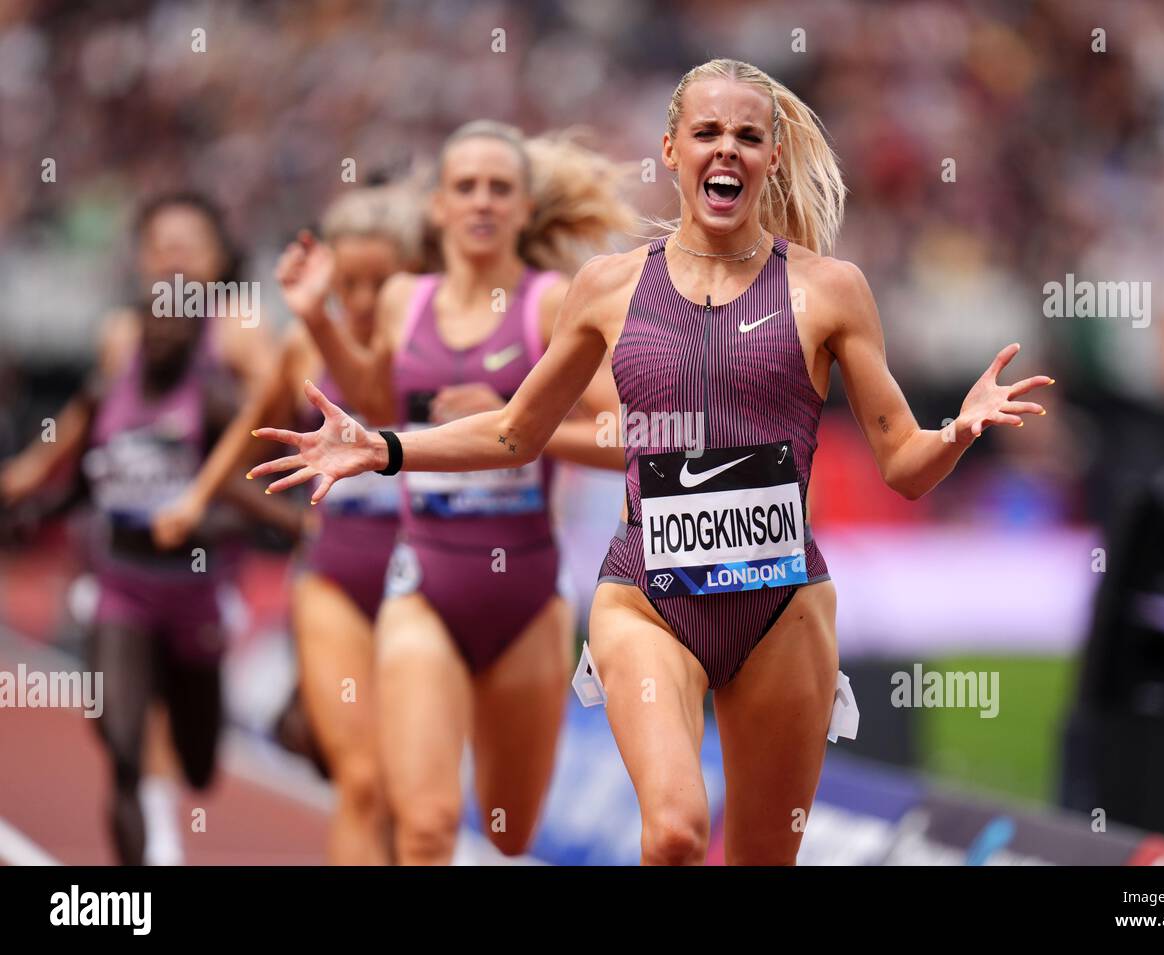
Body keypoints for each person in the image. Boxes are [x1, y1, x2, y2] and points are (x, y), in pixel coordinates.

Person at [249, 61, 1053, 865]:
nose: (726, 151)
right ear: (671, 151)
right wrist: (384, 448)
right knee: (672, 831)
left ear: (773, 156)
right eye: (707, 133)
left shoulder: (831, 290)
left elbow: (906, 466)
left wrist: (959, 430)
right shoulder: (607, 288)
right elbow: (514, 434)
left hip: (783, 609)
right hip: (646, 598)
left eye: (747, 135)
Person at [270, 121, 630, 863]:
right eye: (465, 186)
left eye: (500, 187)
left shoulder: (548, 304)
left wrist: (515, 426)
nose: (482, 201)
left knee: (507, 832)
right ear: (436, 208)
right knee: (426, 823)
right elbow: (373, 396)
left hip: (528, 598)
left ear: (526, 209)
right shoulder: (406, 298)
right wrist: (316, 318)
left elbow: (626, 436)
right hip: (424, 581)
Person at [3, 192, 290, 864]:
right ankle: (147, 836)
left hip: (201, 562)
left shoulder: (240, 328)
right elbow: (95, 420)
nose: (174, 255)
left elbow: (269, 425)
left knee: (196, 752)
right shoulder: (123, 334)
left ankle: (173, 774)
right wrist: (36, 470)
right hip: (123, 567)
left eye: (190, 241)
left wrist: (224, 501)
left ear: (220, 255)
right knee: (122, 730)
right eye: (160, 243)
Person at [151, 183, 425, 864]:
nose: (361, 300)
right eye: (349, 283)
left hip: (427, 581)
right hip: (333, 573)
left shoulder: (436, 345)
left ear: (412, 279)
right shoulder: (304, 349)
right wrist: (201, 501)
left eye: (380, 283)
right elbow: (244, 441)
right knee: (358, 780)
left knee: (410, 791)